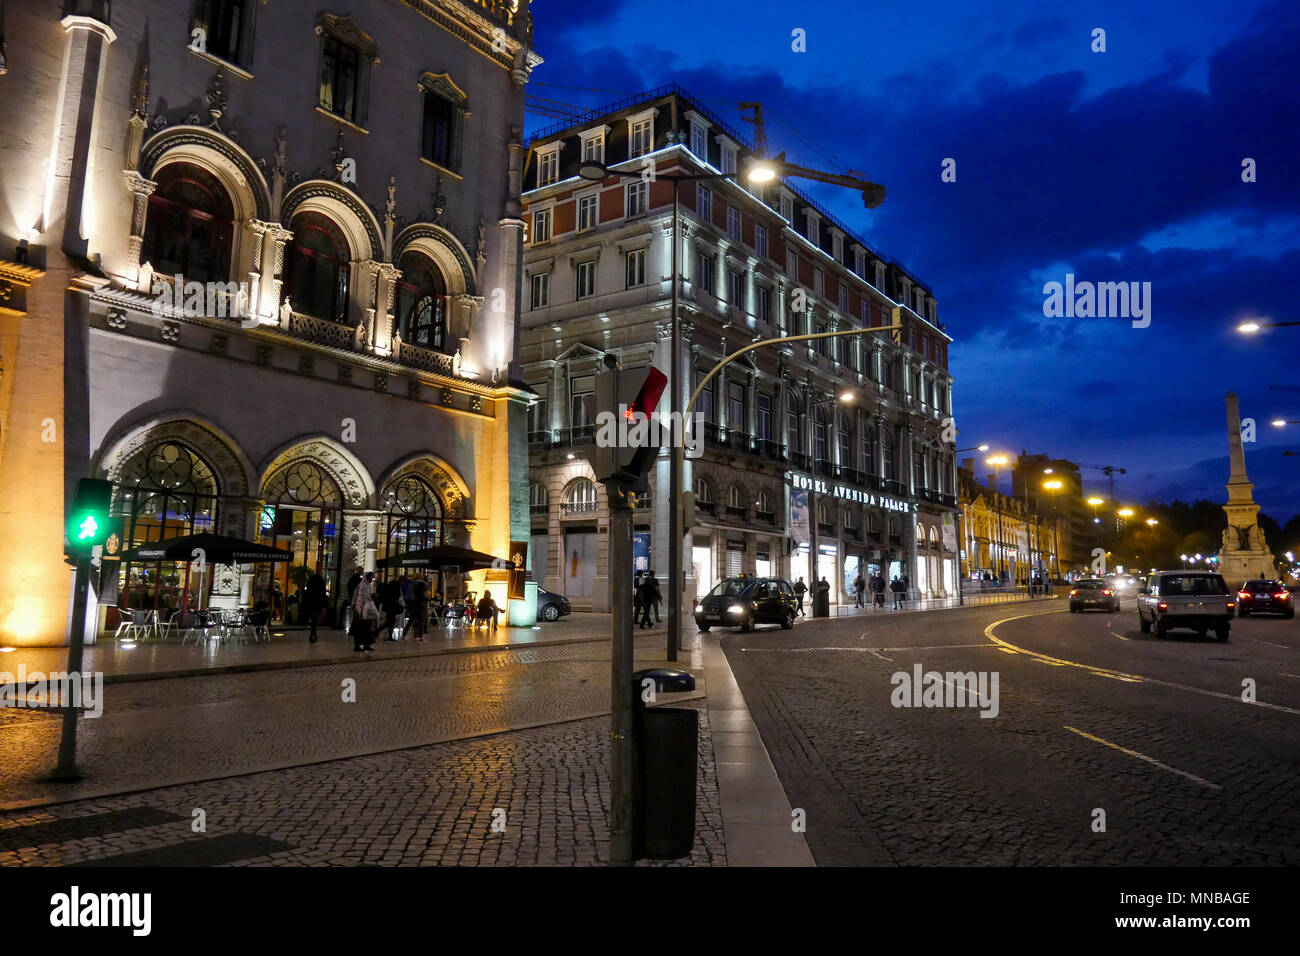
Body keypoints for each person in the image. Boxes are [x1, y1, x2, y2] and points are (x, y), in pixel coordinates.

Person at [352, 571, 377, 652]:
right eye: (370, 578)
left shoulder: (368, 585)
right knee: (361, 627)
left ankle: (366, 644)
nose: (371, 579)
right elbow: (361, 598)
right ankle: (357, 645)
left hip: (365, 609)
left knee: (366, 627)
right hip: (361, 609)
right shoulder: (363, 585)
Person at [302, 571, 327, 644]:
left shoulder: (310, 587)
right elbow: (323, 596)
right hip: (317, 604)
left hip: (311, 604)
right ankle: (313, 634)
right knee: (314, 620)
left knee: (313, 619)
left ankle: (313, 634)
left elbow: (306, 595)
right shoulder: (321, 587)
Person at [377, 576, 404, 641]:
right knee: (391, 621)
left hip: (387, 606)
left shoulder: (389, 586)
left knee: (390, 621)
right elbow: (398, 596)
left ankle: (388, 636)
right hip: (392, 606)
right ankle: (378, 632)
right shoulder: (396, 586)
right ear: (401, 581)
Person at [408, 574, 428, 642]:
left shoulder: (412, 584)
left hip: (412, 604)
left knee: (413, 619)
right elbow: (424, 595)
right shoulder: (423, 584)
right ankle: (420, 636)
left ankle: (413, 634)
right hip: (420, 603)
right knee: (421, 619)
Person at [344, 567, 363, 634]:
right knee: (357, 615)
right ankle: (353, 630)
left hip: (352, 598)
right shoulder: (359, 580)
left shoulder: (352, 578)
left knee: (356, 615)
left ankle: (352, 630)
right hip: (356, 599)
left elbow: (349, 587)